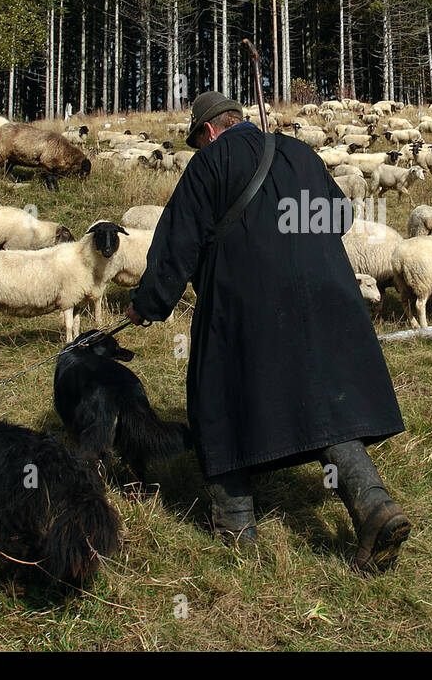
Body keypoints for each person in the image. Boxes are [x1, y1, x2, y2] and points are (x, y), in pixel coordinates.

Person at [125, 91, 411, 572]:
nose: (199, 148)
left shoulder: (209, 164)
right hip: (326, 297)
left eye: (198, 139)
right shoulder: (298, 151)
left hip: (246, 302)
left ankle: (237, 528)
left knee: (219, 396)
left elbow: (177, 244)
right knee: (322, 397)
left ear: (211, 130)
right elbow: (339, 218)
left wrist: (146, 304)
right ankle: (374, 506)